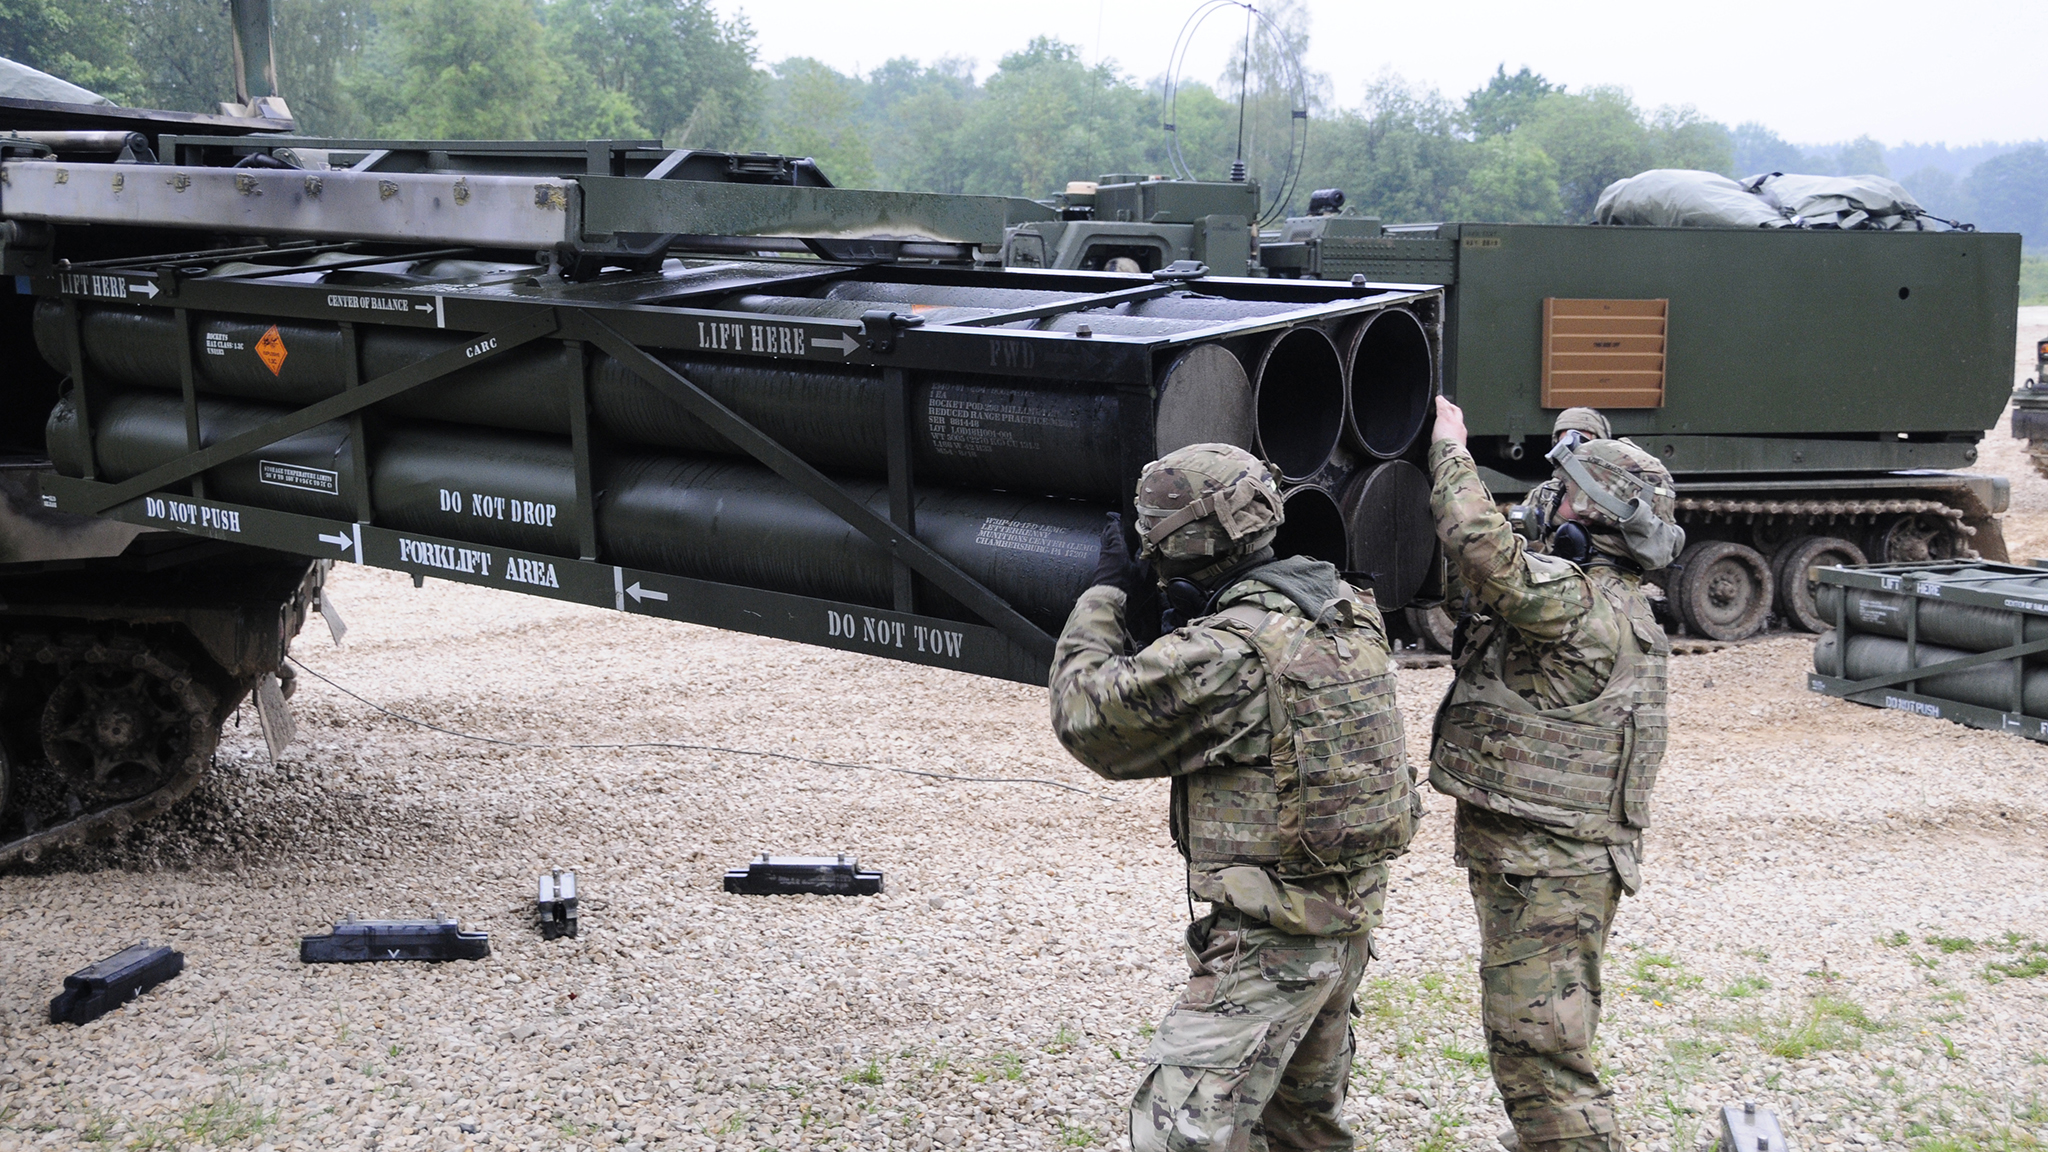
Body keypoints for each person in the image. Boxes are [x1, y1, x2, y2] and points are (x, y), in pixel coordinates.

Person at [1048, 443, 1418, 1152]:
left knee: (1173, 1136)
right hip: (1342, 924)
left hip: (1271, 943)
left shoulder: (1228, 652)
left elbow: (1086, 717)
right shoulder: (1346, 610)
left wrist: (1104, 596)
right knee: (1299, 1130)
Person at [1424, 396, 1683, 1152]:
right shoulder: (1616, 601)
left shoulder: (1575, 605)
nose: (1552, 505)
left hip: (1548, 868)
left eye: (1568, 495)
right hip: (1551, 861)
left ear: (1596, 519)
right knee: (1546, 1037)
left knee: (1538, 1052)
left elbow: (1481, 546)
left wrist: (1450, 449)